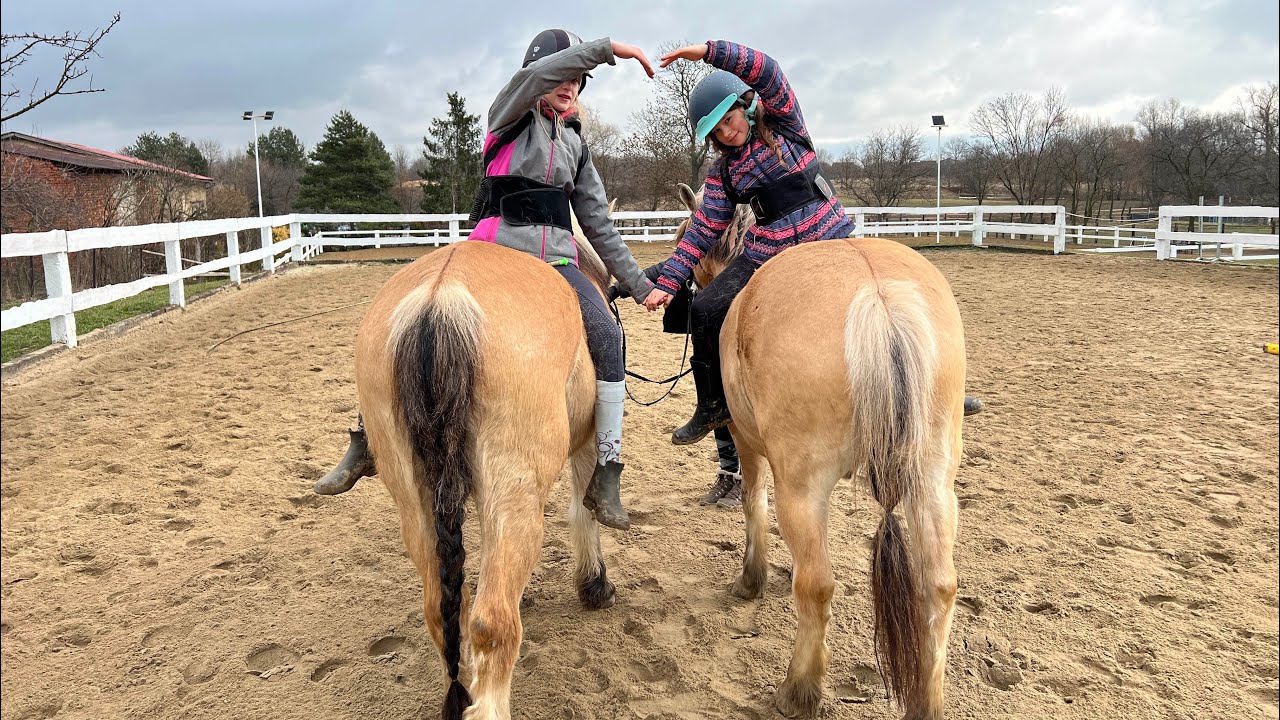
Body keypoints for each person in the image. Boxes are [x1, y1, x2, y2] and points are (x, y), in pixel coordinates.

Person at [314, 30, 657, 533]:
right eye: (562, 75)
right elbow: (539, 74)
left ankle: (607, 467)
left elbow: (598, 226)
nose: (570, 86)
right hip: (494, 248)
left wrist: (642, 285)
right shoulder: (509, 117)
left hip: (559, 262)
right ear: (539, 77)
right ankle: (365, 437)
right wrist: (607, 51)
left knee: (609, 334)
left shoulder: (578, 147)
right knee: (407, 313)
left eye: (578, 81)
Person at [643, 41, 982, 445]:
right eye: (717, 131)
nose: (727, 132)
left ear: (746, 106)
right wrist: (668, 283)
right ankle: (712, 405)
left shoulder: (787, 126)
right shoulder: (723, 174)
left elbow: (768, 70)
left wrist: (709, 52)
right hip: (766, 250)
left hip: (829, 236)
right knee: (703, 308)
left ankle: (937, 388)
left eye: (729, 119)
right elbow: (702, 230)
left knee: (890, 298)